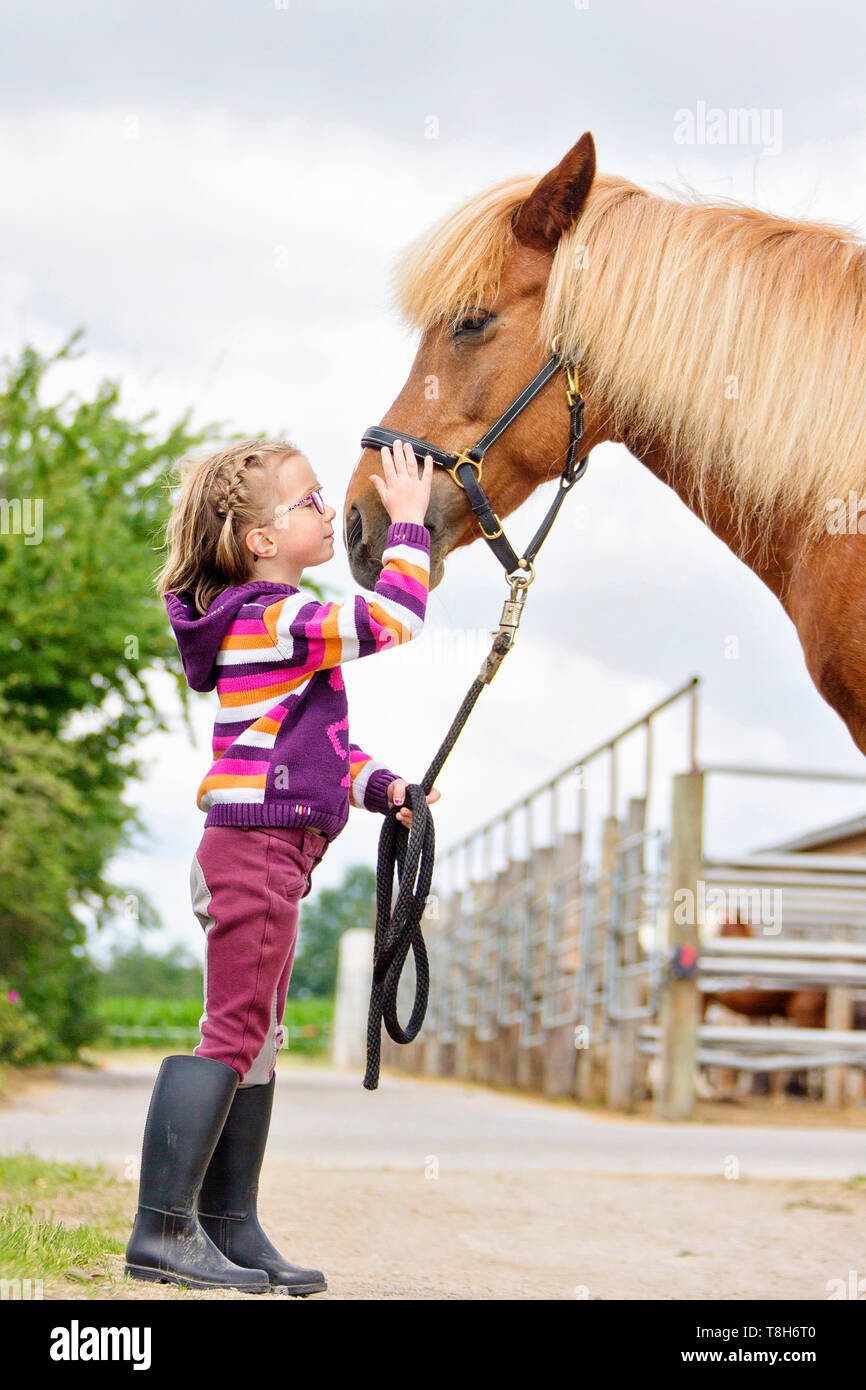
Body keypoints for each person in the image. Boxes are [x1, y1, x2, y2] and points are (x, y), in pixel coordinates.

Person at [124, 436, 439, 1296]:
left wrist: (384, 788)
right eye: (308, 502)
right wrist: (410, 526)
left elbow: (315, 749)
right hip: (256, 852)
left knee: (256, 1041)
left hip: (270, 851)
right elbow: (394, 621)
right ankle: (162, 1232)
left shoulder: (277, 633)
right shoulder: (272, 617)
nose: (329, 510)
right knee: (233, 1034)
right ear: (260, 539)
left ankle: (227, 1226)